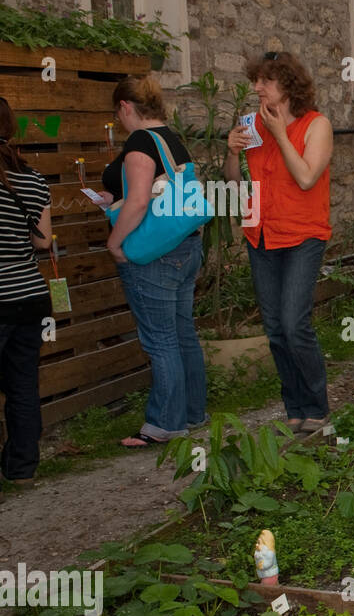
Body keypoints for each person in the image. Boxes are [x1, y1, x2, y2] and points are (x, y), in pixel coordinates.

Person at [225, 50, 334, 434]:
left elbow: (306, 178)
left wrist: (278, 134)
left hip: (303, 234)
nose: (256, 88)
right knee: (274, 327)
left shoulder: (316, 125)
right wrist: (232, 154)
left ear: (286, 85)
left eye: (264, 81)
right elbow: (235, 189)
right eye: (256, 81)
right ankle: (295, 405)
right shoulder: (250, 124)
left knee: (294, 323)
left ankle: (318, 405)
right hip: (261, 233)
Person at [104, 75, 208, 447]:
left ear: (126, 107)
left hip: (155, 256)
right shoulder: (170, 138)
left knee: (161, 341)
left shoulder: (139, 142)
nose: (119, 123)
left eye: (118, 115)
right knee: (182, 334)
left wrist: (116, 245)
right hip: (185, 247)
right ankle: (193, 413)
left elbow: (139, 202)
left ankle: (164, 424)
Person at [0, 97, 53, 483]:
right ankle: (21, 469)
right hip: (31, 296)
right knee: (22, 384)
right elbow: (43, 241)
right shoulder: (33, 179)